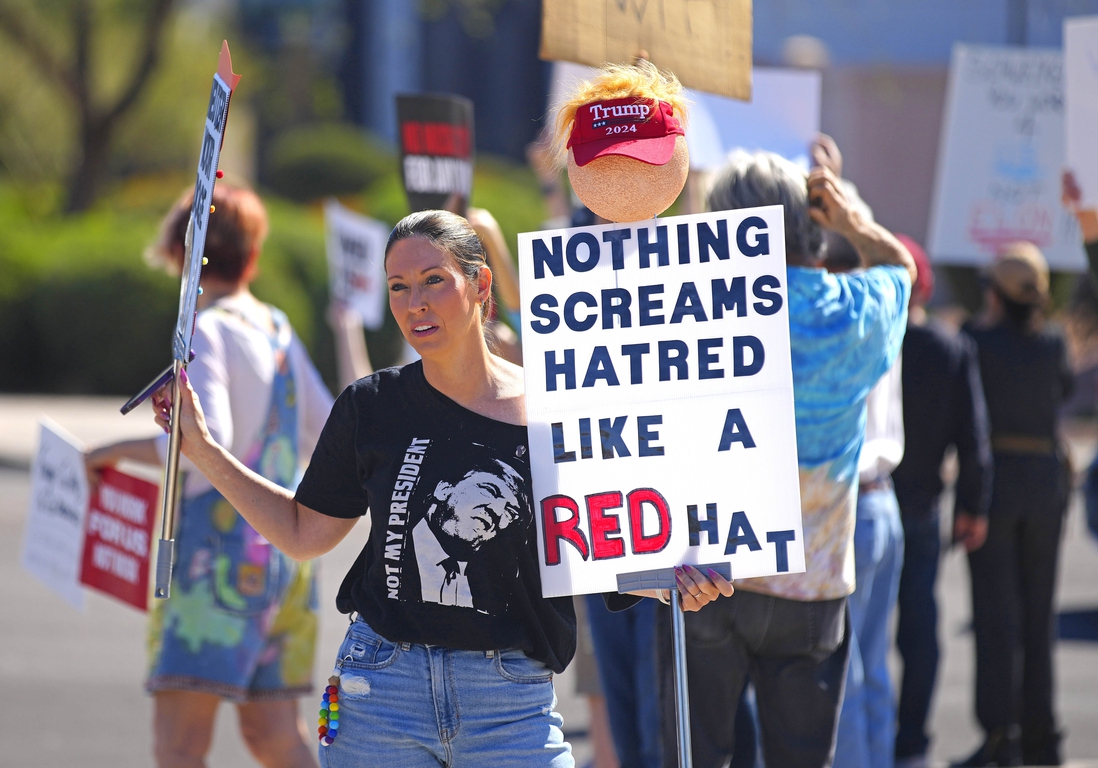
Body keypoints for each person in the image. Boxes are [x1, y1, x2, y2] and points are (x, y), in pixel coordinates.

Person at [150, 209, 733, 767]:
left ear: (480, 285)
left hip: (511, 702)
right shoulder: (370, 406)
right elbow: (304, 533)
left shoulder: (554, 411)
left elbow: (593, 546)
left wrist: (669, 579)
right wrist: (202, 449)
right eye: (398, 287)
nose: (416, 303)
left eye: (434, 280)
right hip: (382, 691)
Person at [655, 150, 914, 768]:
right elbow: (900, 267)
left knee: (697, 756)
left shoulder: (690, 307)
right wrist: (853, 222)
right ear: (807, 223)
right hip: (812, 584)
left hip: (705, 574)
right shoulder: (852, 312)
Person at [85, 183, 335, 768]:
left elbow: (200, 442)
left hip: (214, 565)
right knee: (277, 735)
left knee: (179, 744)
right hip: (283, 559)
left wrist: (108, 451)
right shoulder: (275, 326)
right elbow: (326, 431)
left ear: (182, 250)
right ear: (253, 255)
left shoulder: (206, 330)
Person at [953, 242, 1073, 767]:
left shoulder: (976, 339)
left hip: (997, 484)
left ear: (997, 294)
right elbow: (1066, 391)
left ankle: (1001, 736)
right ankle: (1042, 734)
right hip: (1047, 481)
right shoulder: (1053, 343)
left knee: (996, 615)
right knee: (1037, 614)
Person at [890, 237, 992, 768]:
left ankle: (868, 735)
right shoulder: (950, 347)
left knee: (858, 632)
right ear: (925, 285)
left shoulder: (870, 338)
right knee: (920, 630)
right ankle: (911, 742)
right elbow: (974, 441)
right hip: (924, 505)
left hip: (868, 501)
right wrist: (974, 507)